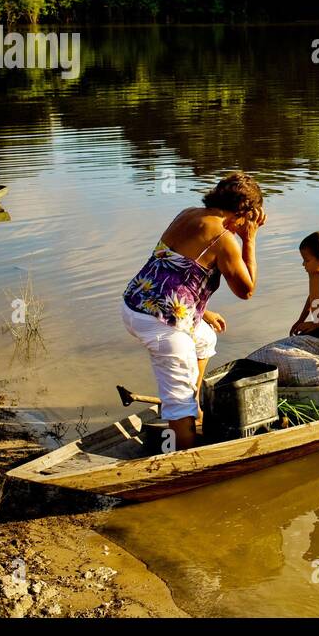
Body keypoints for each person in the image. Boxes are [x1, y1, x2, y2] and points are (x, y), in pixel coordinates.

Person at [121, 171, 264, 451]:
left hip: (136, 303)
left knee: (204, 338)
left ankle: (194, 406)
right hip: (160, 322)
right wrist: (250, 240)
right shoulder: (223, 238)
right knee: (178, 404)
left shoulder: (188, 213)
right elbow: (247, 291)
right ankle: (183, 450)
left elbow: (175, 269)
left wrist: (203, 311)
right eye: (251, 217)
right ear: (243, 212)